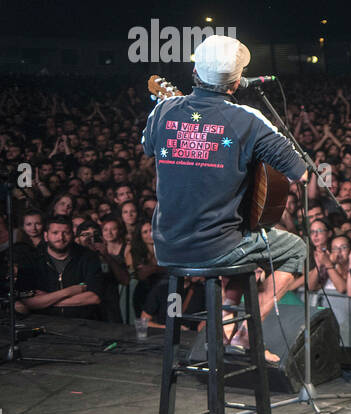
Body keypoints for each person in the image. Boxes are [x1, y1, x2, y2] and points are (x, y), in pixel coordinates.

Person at [141, 36, 310, 359]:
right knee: (296, 249)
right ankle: (246, 334)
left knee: (241, 251)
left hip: (168, 244)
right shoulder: (247, 119)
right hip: (218, 246)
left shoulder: (163, 110)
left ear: (194, 72)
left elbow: (148, 146)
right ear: (235, 82)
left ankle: (226, 334)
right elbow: (299, 173)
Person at [15, 215, 107, 320]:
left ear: (72, 235)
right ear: (46, 236)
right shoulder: (31, 260)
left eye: (66, 233)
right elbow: (27, 302)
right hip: (43, 322)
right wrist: (69, 291)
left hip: (83, 322)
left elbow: (94, 297)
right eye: (55, 233)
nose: (60, 238)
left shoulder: (88, 257)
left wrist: (46, 300)